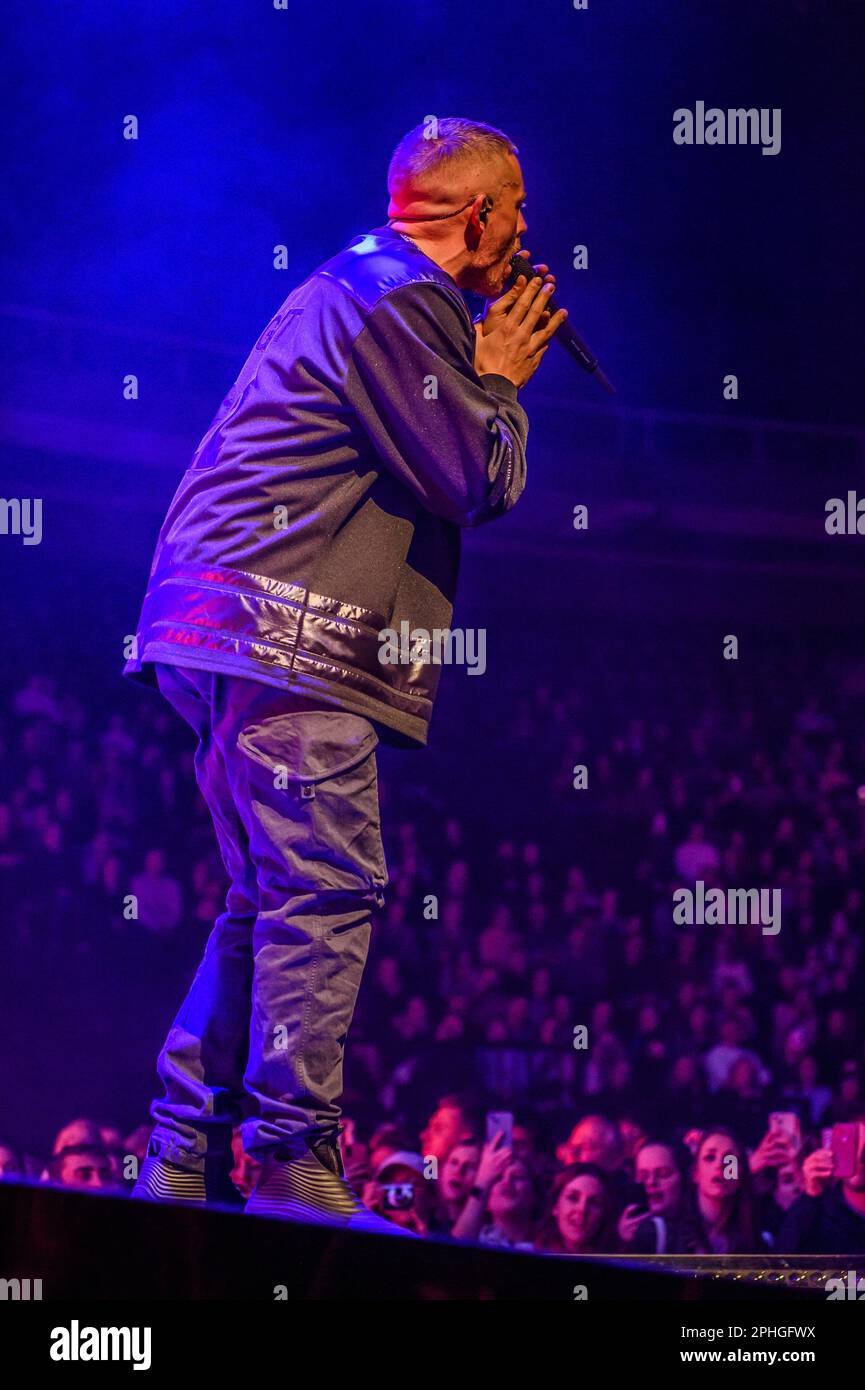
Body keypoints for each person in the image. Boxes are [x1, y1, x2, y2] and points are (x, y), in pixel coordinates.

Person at [124, 117, 565, 1229]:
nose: (524, 233)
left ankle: (179, 1155)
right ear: (479, 216)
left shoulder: (360, 287)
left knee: (267, 897)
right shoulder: (406, 295)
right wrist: (502, 378)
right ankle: (289, 1158)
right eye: (514, 210)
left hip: (223, 625)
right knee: (325, 891)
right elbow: (475, 475)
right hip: (286, 631)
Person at [777, 1120, 865, 1254]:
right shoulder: (819, 1208)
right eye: (853, 1143)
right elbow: (783, 1263)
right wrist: (811, 1194)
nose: (859, 1157)